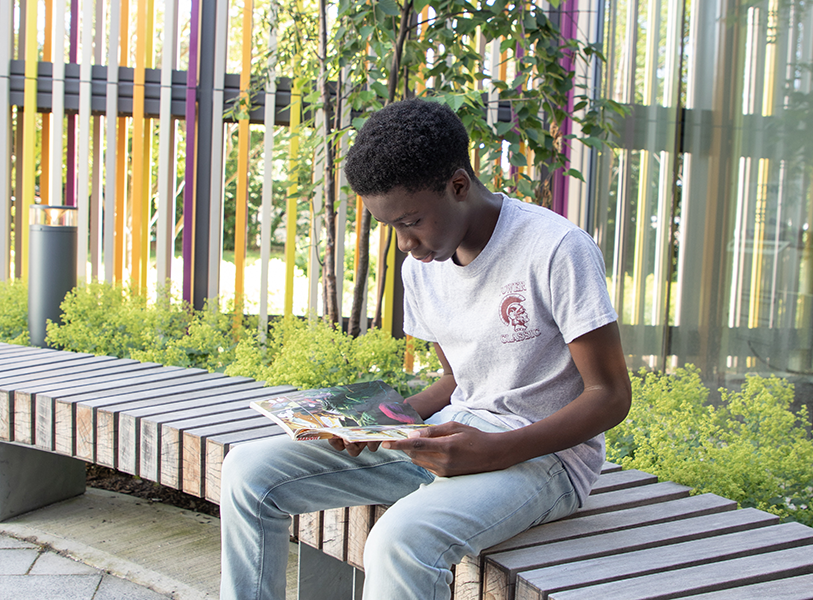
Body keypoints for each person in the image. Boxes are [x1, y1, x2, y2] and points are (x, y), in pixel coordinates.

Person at [218, 98, 631, 600]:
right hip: (453, 434)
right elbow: (460, 379)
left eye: (410, 221)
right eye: (391, 226)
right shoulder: (423, 268)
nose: (404, 244)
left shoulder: (556, 248)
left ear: (458, 185)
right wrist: (376, 419)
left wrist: (495, 450)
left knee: (398, 540)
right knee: (247, 472)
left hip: (547, 459)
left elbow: (609, 394)